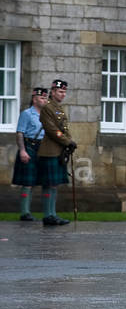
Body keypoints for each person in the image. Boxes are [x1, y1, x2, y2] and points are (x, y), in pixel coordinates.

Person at [35, 78, 75, 225]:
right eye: (60, 91)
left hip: (58, 150)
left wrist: (70, 141)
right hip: (49, 151)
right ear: (52, 92)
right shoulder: (47, 108)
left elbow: (64, 128)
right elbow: (52, 130)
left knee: (55, 184)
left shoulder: (58, 108)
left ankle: (53, 213)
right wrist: (67, 141)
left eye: (64, 92)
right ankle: (48, 215)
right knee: (49, 184)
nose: (63, 94)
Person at [12, 86, 47, 221]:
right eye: (41, 97)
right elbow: (20, 133)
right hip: (29, 147)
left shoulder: (46, 115)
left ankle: (43, 213)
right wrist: (22, 150)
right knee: (28, 182)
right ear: (34, 99)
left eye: (45, 97)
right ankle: (25, 212)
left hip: (43, 149)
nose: (44, 100)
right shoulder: (26, 114)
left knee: (40, 181)